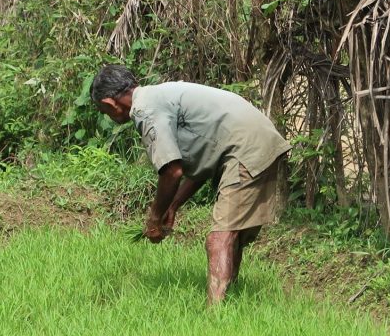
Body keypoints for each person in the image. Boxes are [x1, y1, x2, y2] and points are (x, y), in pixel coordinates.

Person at [90, 65, 290, 304]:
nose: (107, 116)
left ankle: (215, 314)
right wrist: (173, 205)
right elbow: (202, 163)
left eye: (104, 110)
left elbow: (172, 171)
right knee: (233, 233)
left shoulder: (146, 109)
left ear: (110, 103)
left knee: (219, 238)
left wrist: (154, 217)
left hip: (245, 148)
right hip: (260, 139)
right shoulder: (160, 94)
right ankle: (231, 297)